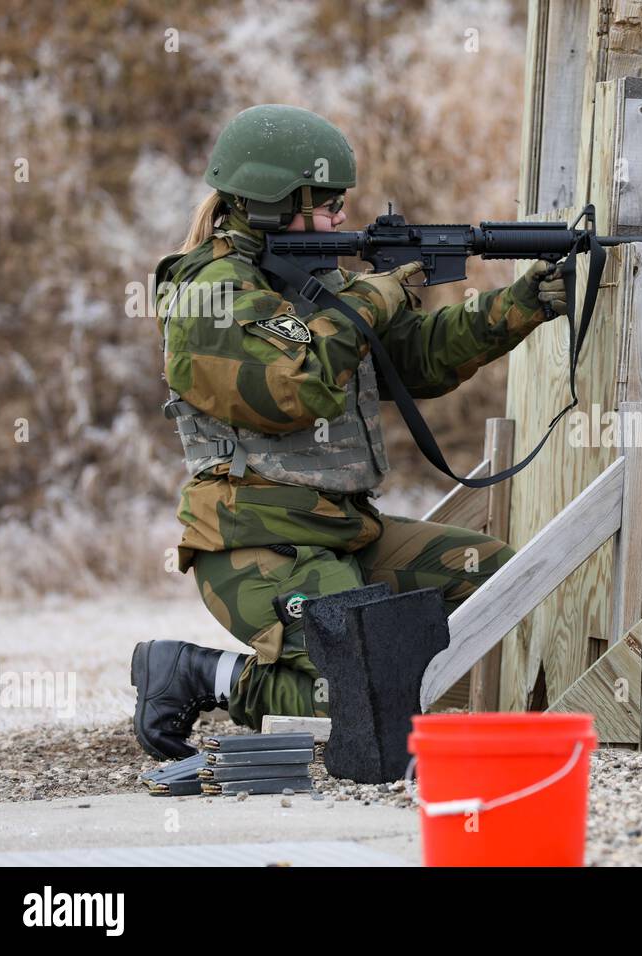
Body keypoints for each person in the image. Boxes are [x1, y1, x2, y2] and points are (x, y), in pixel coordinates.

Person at [131, 104, 567, 760]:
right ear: (277, 203)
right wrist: (373, 295)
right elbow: (291, 387)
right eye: (327, 204)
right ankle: (200, 674)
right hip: (257, 547)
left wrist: (518, 306)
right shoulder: (207, 294)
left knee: (496, 576)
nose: (341, 219)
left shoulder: (318, 283)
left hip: (344, 533)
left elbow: (414, 359)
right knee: (361, 693)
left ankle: (464, 720)